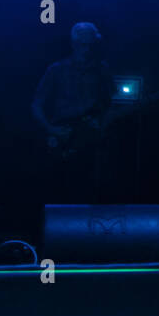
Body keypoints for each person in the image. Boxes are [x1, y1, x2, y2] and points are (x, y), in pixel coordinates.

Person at [33, 22, 119, 203]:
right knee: (57, 193)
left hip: (91, 142)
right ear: (74, 44)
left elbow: (110, 104)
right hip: (62, 139)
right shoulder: (57, 69)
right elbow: (37, 104)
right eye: (83, 44)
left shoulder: (102, 70)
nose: (87, 50)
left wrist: (103, 123)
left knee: (89, 190)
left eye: (90, 45)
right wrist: (51, 129)